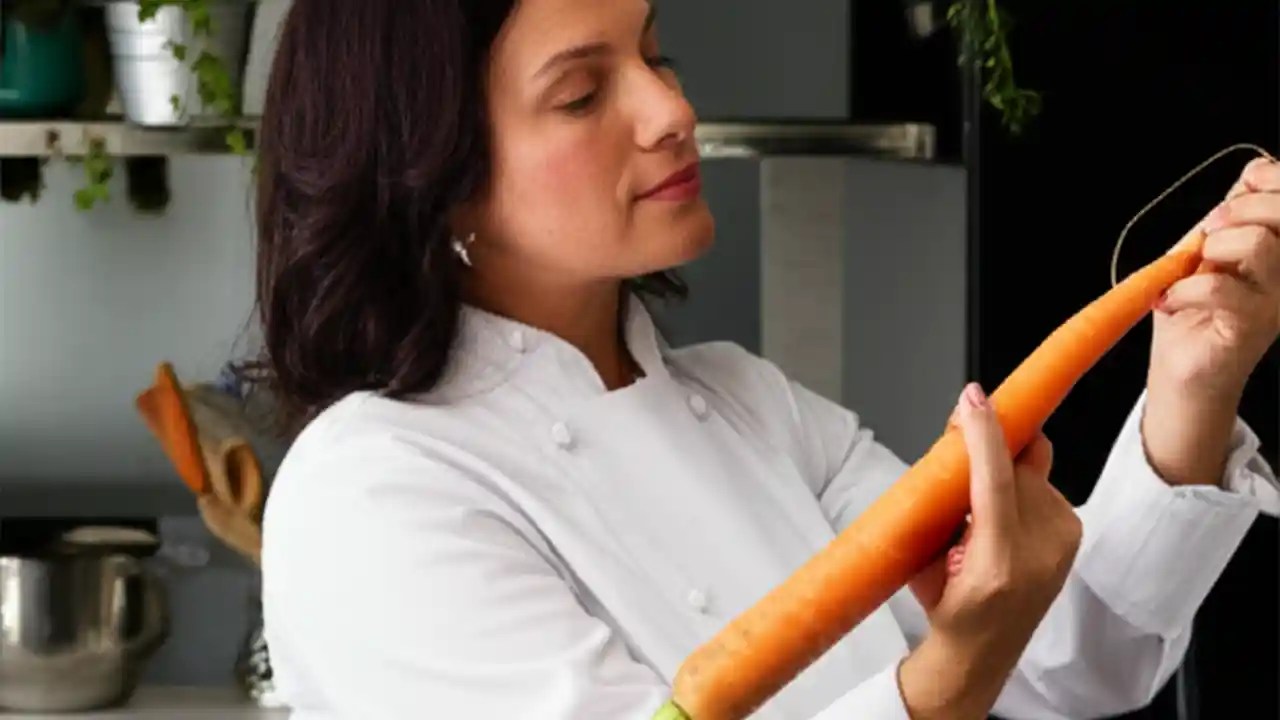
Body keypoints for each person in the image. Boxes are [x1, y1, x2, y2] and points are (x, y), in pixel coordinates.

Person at [251, 1, 1280, 718]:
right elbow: (977, 669)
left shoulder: (751, 403)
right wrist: (948, 680)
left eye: (654, 57)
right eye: (580, 94)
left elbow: (1070, 661)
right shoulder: (371, 492)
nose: (670, 112)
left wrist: (1191, 382)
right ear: (430, 173)